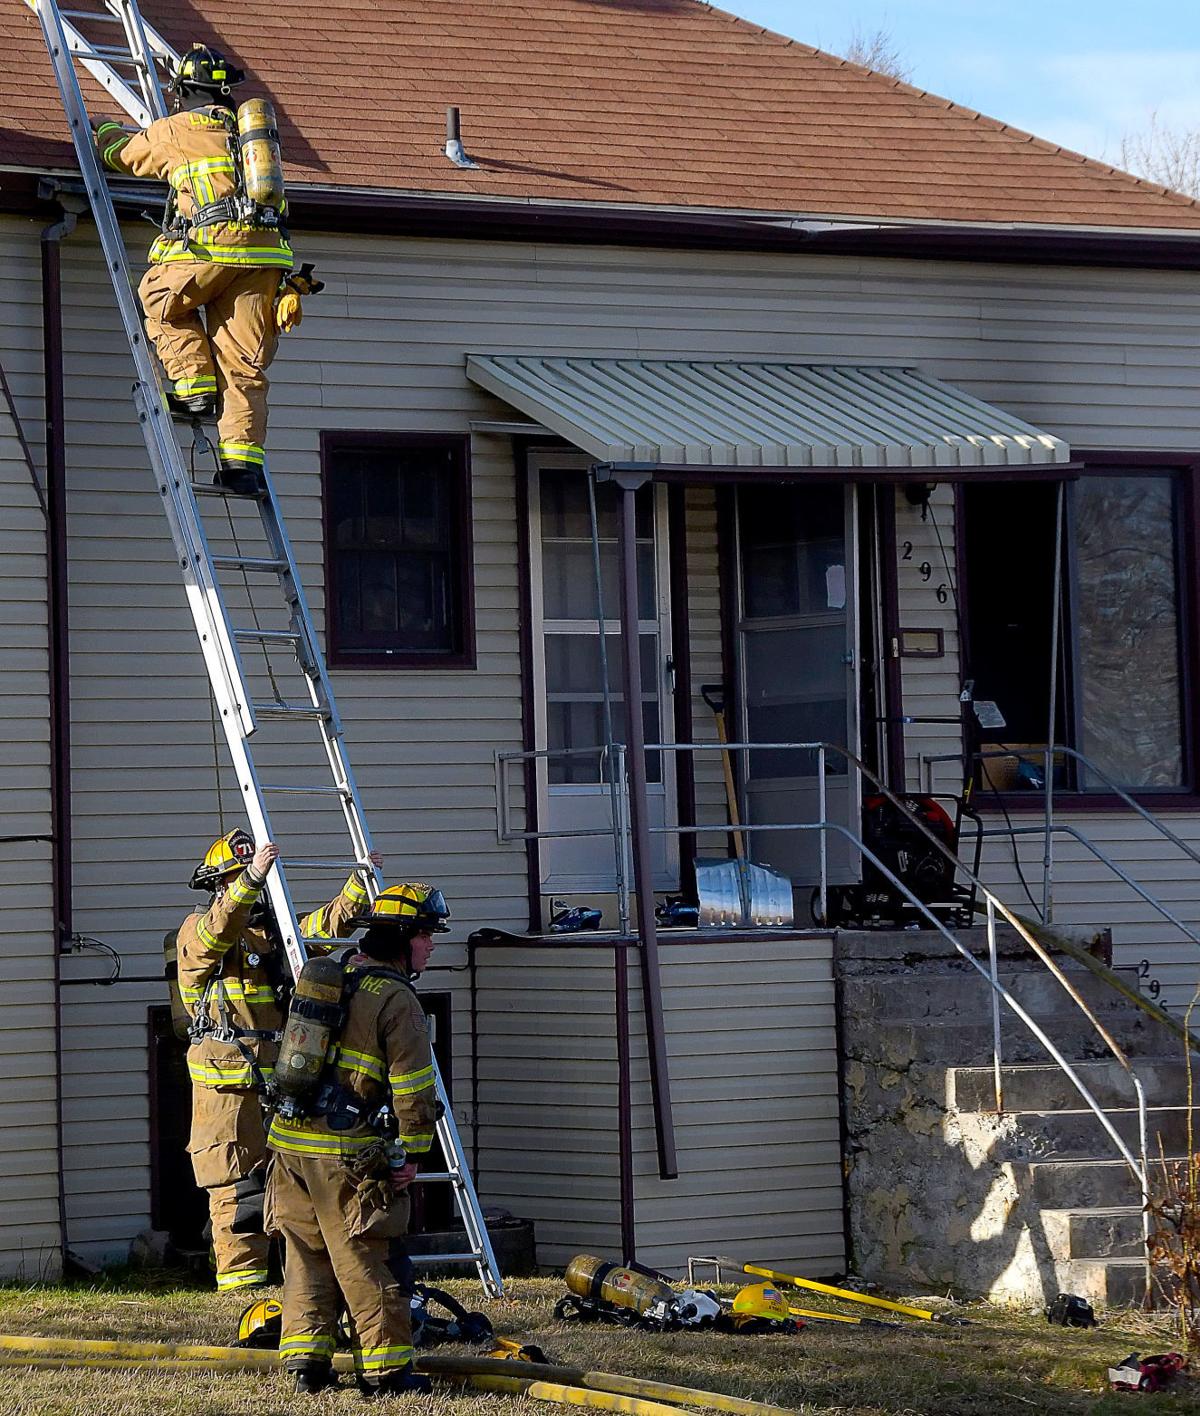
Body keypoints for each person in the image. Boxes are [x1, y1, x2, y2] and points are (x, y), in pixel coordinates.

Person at [266, 883, 449, 1397]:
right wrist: (413, 1153)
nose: (431, 945)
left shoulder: (334, 978)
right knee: (366, 1258)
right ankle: (387, 1373)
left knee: (306, 1256)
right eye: (426, 935)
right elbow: (413, 1088)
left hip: (289, 1145)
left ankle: (306, 1366)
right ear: (403, 940)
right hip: (345, 1156)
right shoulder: (396, 999)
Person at [177, 828, 378, 1293]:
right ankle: (241, 1289)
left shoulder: (274, 935)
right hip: (227, 1090)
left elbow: (325, 927)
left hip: (281, 1084)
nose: (254, 886)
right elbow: (215, 933)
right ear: (218, 885)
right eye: (240, 878)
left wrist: (360, 882)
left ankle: (292, 1284)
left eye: (260, 879)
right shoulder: (199, 931)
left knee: (289, 1184)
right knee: (235, 1185)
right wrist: (250, 878)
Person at [92, 44, 294, 494]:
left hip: (212, 247)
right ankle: (242, 466)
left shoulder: (177, 129)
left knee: (158, 299)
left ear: (184, 91)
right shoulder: (252, 138)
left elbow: (122, 155)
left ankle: (193, 386)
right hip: (267, 258)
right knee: (243, 363)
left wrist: (102, 129)